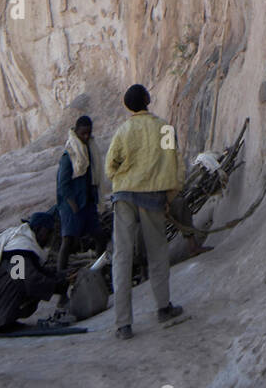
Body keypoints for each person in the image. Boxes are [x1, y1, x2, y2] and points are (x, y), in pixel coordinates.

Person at [105, 84, 185, 339]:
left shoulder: (123, 130)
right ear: (148, 100)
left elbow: (110, 167)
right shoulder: (164, 128)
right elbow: (175, 164)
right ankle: (163, 308)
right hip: (153, 195)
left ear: (129, 106)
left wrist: (123, 179)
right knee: (157, 252)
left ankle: (123, 324)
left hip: (125, 195)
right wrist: (169, 196)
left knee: (122, 257)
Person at [0, 211, 67, 335]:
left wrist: (60, 277)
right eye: (47, 232)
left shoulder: (26, 245)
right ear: (38, 229)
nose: (49, 237)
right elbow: (30, 280)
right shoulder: (19, 248)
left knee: (24, 278)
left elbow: (37, 272)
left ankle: (6, 319)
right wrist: (57, 286)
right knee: (19, 279)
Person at [56, 115, 105, 276]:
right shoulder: (69, 154)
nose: (85, 137)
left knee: (99, 236)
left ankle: (100, 272)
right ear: (76, 131)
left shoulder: (90, 151)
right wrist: (73, 205)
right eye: (83, 133)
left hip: (88, 203)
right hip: (73, 205)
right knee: (68, 241)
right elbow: (63, 184)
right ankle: (61, 282)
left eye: (88, 134)